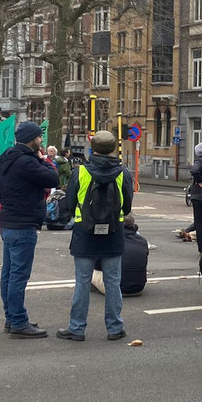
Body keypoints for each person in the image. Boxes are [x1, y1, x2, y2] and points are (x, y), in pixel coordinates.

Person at [56, 130, 131, 341]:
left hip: (85, 233)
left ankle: (77, 328)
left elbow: (70, 203)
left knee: (82, 282)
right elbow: (127, 204)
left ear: (93, 150)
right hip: (114, 233)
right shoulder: (123, 173)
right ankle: (115, 327)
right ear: (113, 150)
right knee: (113, 282)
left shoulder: (80, 172)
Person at [0, 121, 59, 337]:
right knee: (18, 276)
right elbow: (53, 177)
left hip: (8, 221)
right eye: (39, 138)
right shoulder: (28, 162)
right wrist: (45, 160)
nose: (41, 141)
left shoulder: (7, 159)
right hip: (24, 223)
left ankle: (11, 317)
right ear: (32, 140)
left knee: (8, 273)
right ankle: (19, 322)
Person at [119, 213, 150, 297]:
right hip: (139, 287)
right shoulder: (143, 240)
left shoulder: (114, 241)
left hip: (118, 288)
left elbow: (98, 265)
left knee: (89, 271)